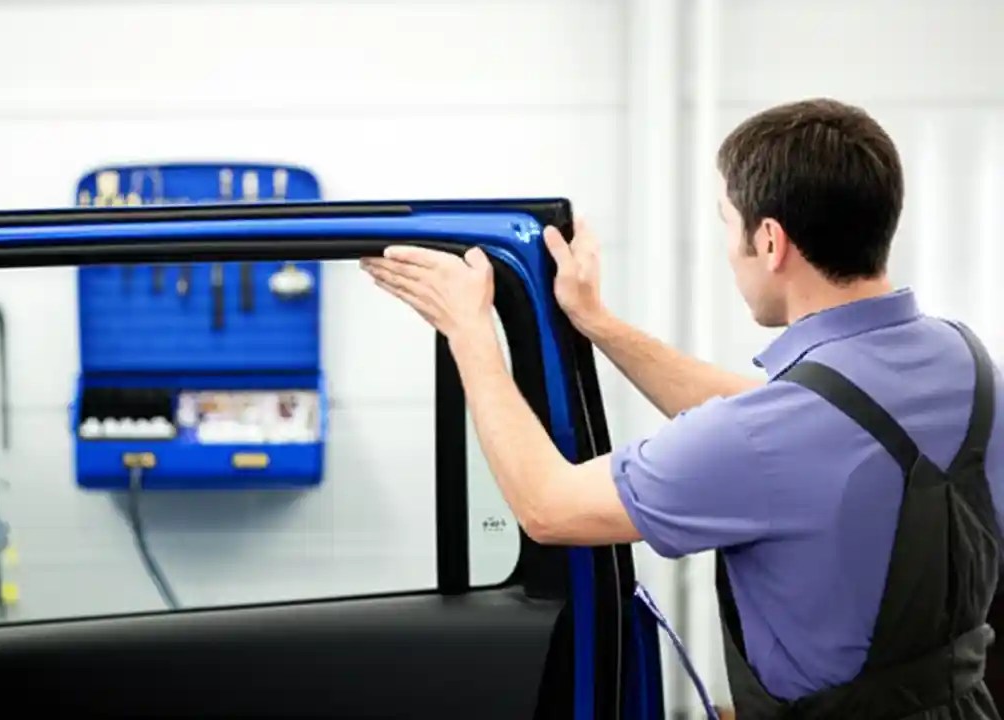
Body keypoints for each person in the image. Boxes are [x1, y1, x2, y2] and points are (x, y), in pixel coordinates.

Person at [361, 97, 1004, 718]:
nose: (728, 249)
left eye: (728, 223)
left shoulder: (769, 437)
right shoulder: (964, 363)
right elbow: (809, 424)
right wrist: (598, 324)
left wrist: (469, 335)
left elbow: (547, 506)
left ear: (771, 241)